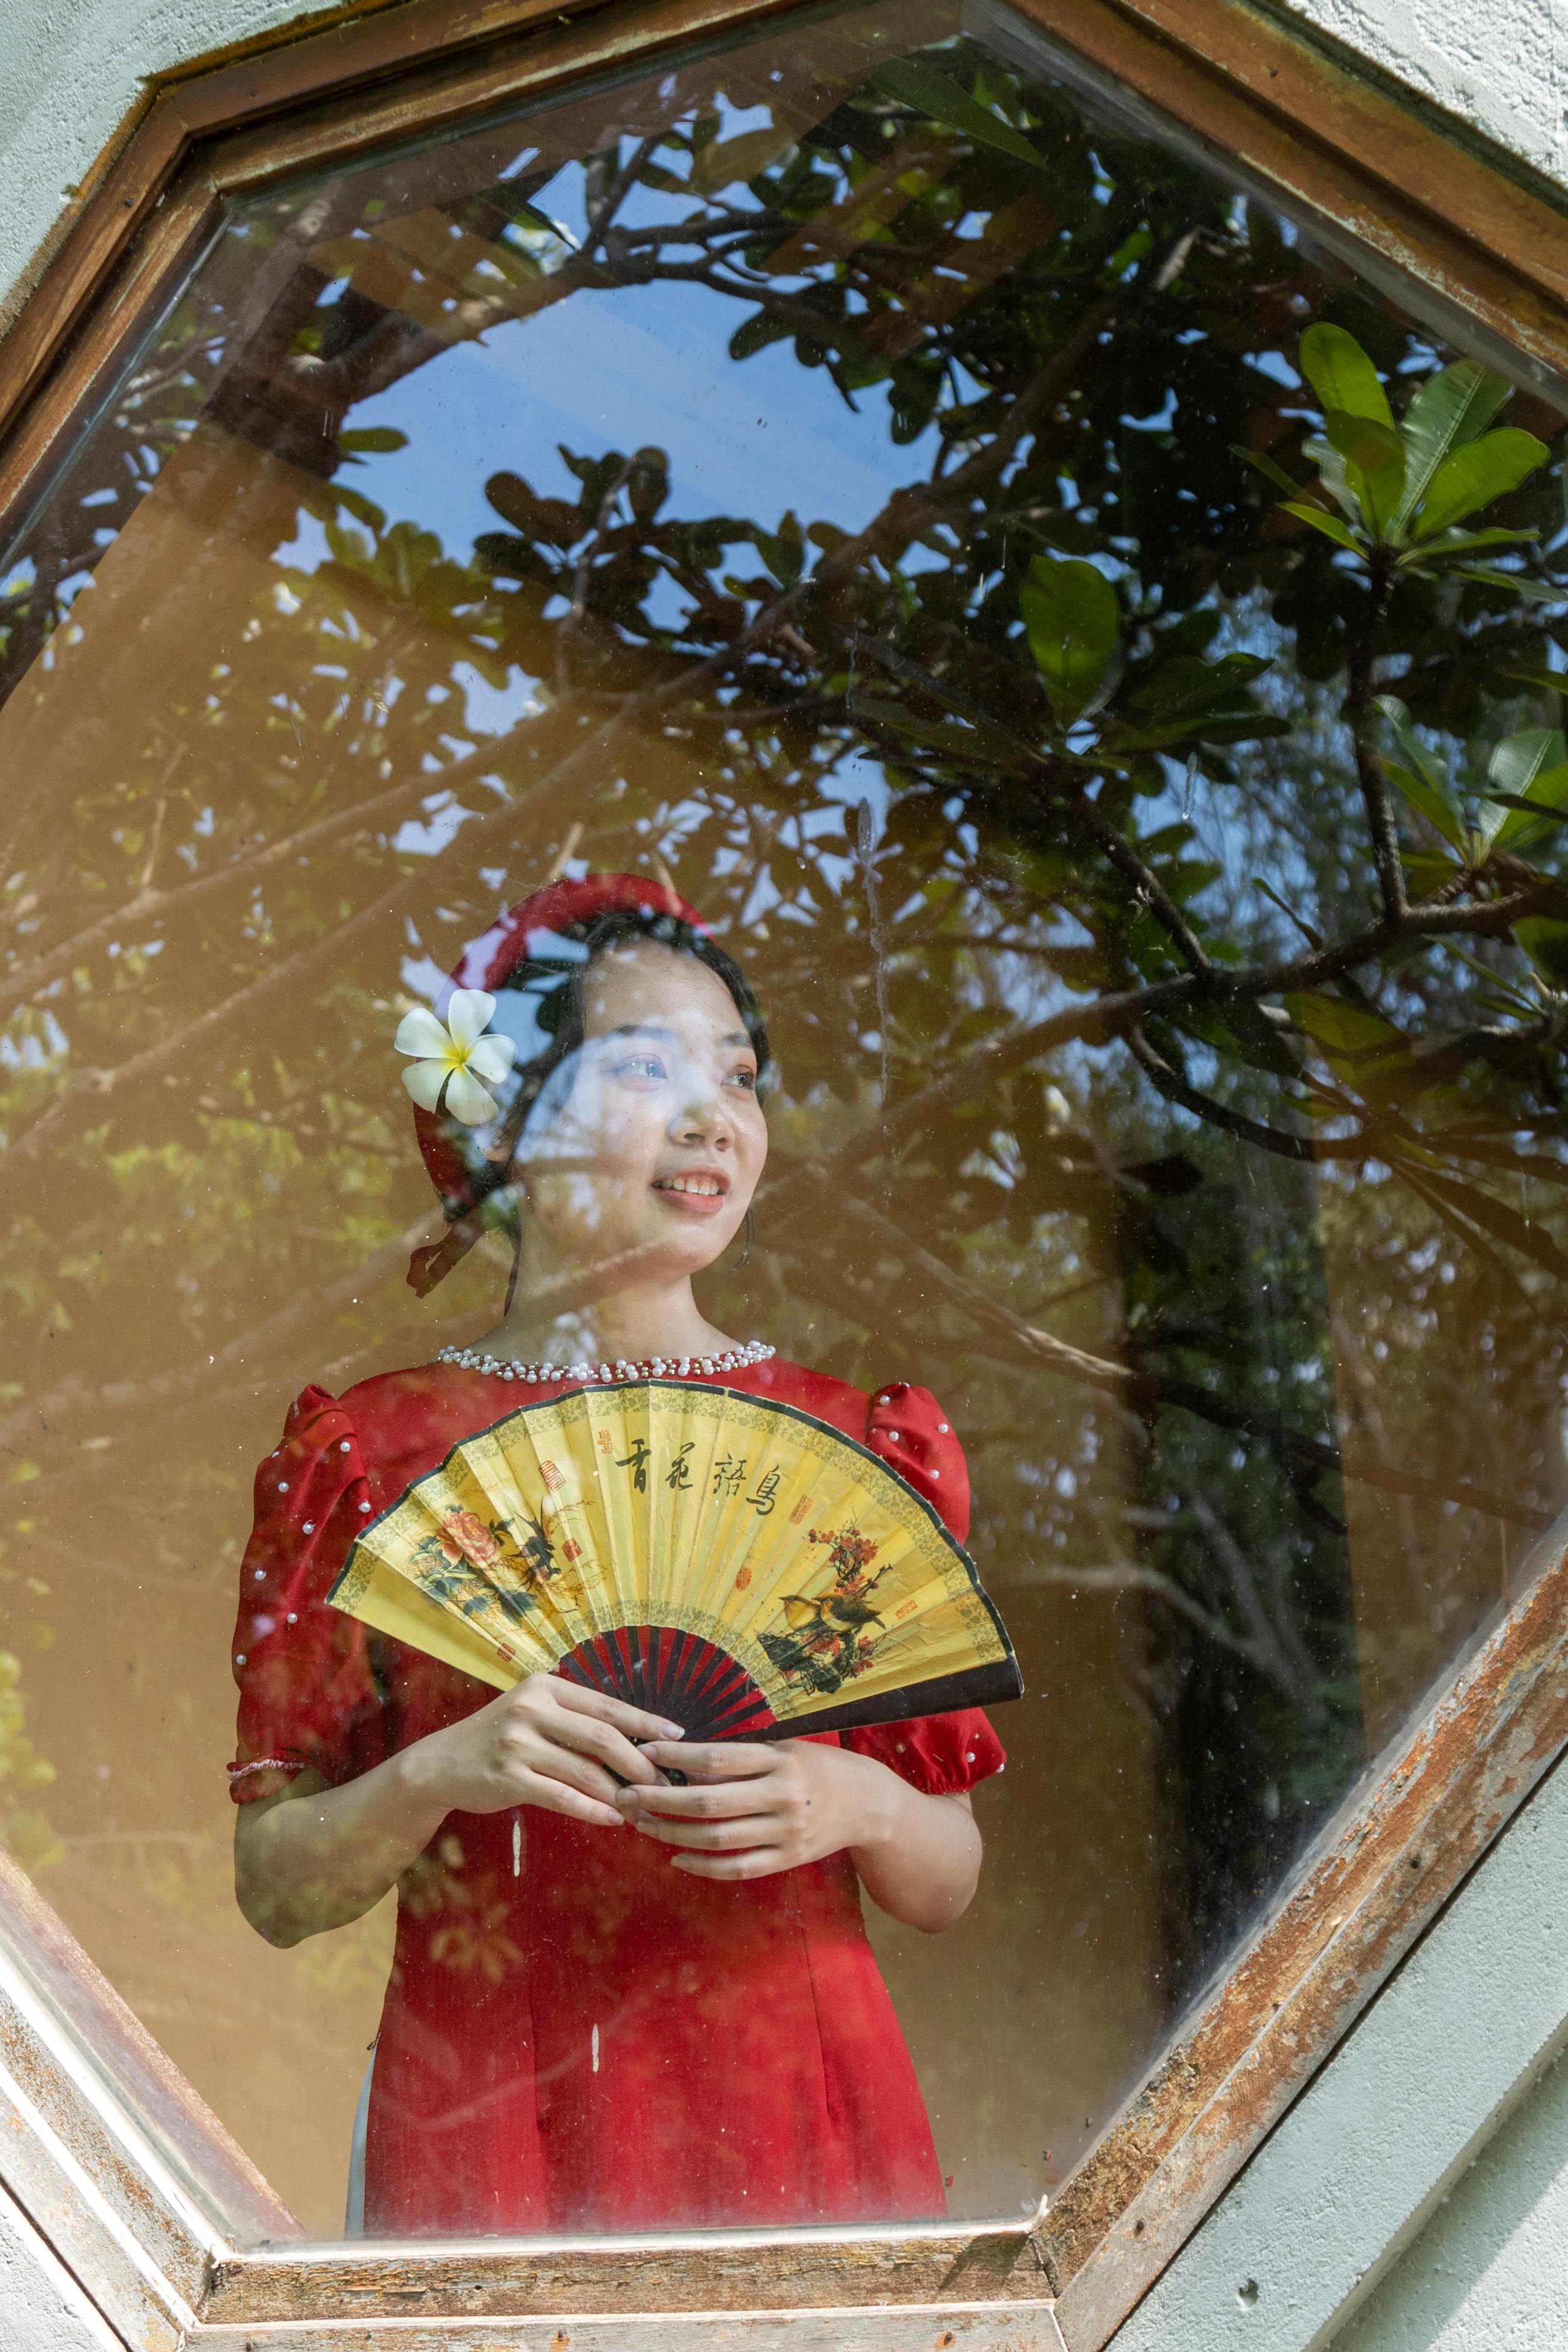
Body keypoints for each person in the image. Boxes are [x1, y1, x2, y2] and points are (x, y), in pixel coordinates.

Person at [229, 872, 1005, 2236]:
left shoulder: (855, 1449)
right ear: (515, 1127)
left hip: (799, 2097)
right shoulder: (372, 1454)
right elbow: (277, 1885)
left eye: (739, 1073)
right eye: (647, 1065)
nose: (716, 1114)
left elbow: (944, 1880)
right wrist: (442, 1771)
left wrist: (861, 1805)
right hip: (488, 2106)